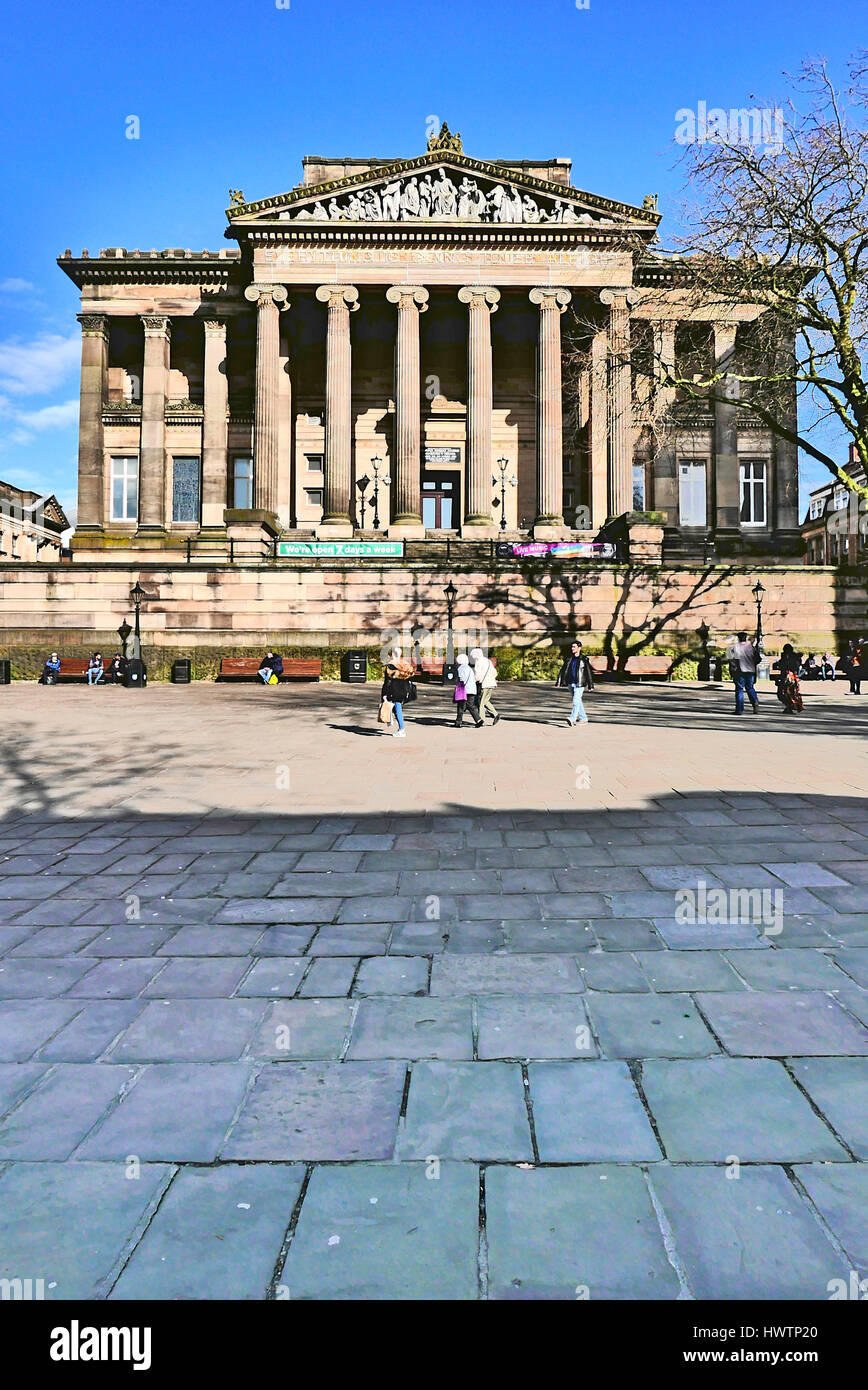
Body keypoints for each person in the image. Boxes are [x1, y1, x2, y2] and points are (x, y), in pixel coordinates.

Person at [555, 639, 595, 724]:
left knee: (576, 701)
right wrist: (559, 681)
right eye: (572, 647)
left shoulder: (584, 659)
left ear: (579, 648)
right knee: (578, 701)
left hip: (580, 683)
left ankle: (572, 719)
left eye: (574, 647)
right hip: (571, 683)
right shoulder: (569, 658)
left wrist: (590, 685)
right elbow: (563, 670)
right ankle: (583, 718)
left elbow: (588, 672)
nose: (572, 648)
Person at [380, 649, 415, 738]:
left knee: (397, 709)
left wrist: (384, 694)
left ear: (392, 654)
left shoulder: (390, 666)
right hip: (404, 689)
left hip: (394, 690)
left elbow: (387, 682)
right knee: (396, 708)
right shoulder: (406, 665)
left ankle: (401, 729)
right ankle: (399, 727)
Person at [729, 631, 760, 715]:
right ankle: (755, 702)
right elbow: (758, 659)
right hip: (750, 671)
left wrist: (732, 671)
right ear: (746, 638)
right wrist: (752, 664)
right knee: (750, 688)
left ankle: (739, 710)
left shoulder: (734, 648)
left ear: (738, 638)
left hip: (739, 671)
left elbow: (731, 661)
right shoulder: (751, 647)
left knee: (739, 690)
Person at [469, 647, 500, 725]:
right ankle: (495, 714)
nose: (473, 658)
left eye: (473, 657)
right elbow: (495, 673)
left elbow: (477, 675)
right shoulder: (488, 661)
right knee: (486, 700)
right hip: (491, 684)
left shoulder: (479, 662)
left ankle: (481, 720)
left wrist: (472, 681)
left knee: (481, 703)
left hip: (484, 684)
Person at [453, 652, 483, 728]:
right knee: (470, 705)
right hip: (472, 690)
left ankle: (458, 722)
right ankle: (478, 720)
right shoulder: (469, 668)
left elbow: (461, 679)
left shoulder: (461, 668)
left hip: (464, 690)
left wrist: (457, 684)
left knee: (460, 706)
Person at [776, 643, 802, 713]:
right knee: (791, 693)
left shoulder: (787, 657)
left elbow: (784, 665)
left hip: (787, 677)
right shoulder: (793, 657)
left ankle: (791, 706)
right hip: (793, 677)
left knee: (783, 693)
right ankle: (792, 706)